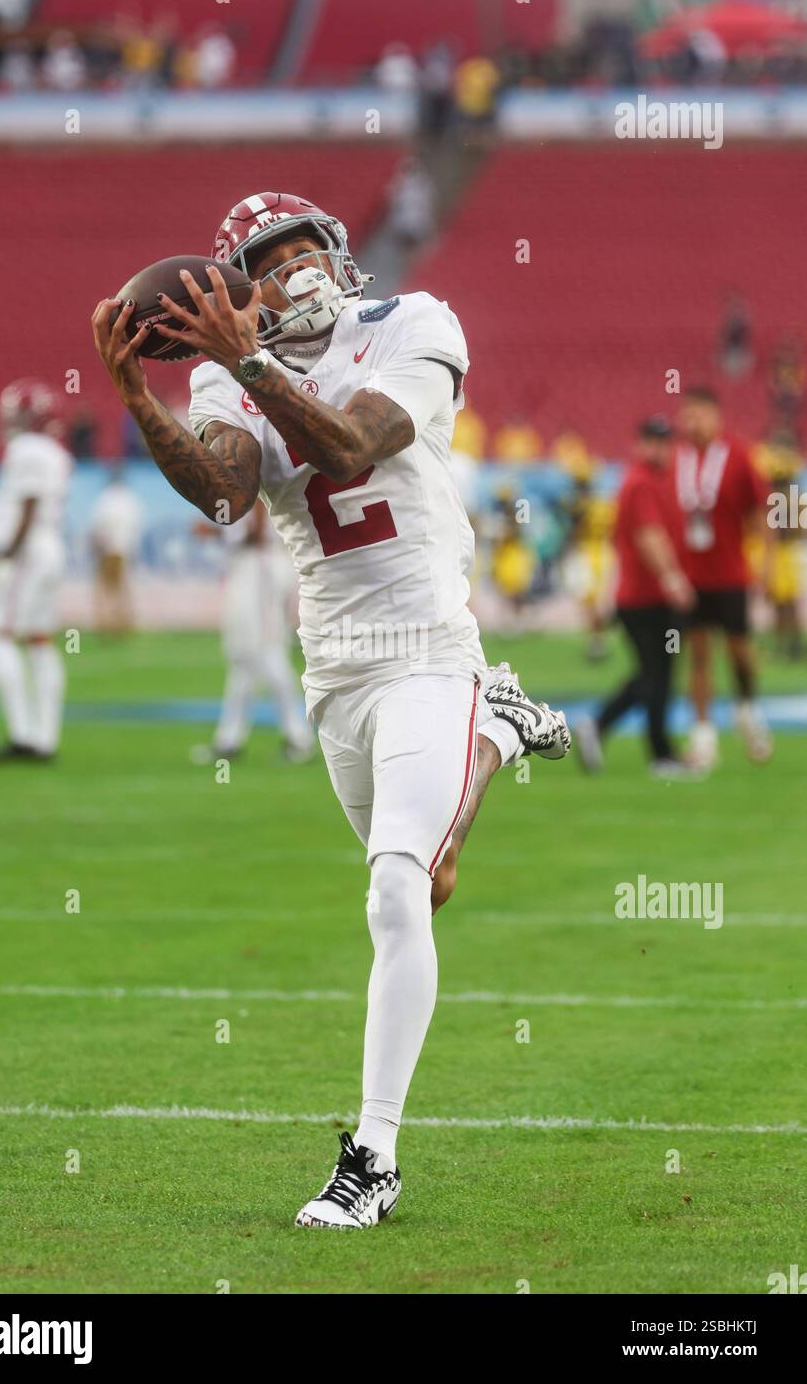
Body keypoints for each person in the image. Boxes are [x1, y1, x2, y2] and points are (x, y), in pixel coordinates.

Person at [91, 190, 570, 1230]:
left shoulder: (411, 322)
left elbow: (351, 447)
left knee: (393, 888)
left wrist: (256, 369)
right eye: (269, 260)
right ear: (238, 291)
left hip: (428, 650)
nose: (295, 269)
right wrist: (138, 391)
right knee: (427, 881)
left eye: (307, 249)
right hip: (334, 673)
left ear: (341, 256)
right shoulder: (223, 372)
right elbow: (223, 496)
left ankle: (372, 1156)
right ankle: (498, 729)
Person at [576, 416, 696, 777]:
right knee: (655, 676)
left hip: (646, 596)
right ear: (640, 443)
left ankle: (606, 730)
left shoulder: (660, 479)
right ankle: (657, 753)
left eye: (664, 441)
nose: (659, 448)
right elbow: (649, 537)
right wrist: (673, 578)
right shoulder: (641, 482)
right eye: (653, 441)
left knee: (654, 674)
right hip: (645, 598)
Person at [674, 387, 773, 768]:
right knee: (698, 656)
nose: (692, 422)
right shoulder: (677, 457)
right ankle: (703, 737)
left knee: (740, 652)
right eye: (687, 415)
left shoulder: (739, 454)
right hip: (690, 576)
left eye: (699, 414)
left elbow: (762, 508)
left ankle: (748, 711)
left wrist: (763, 559)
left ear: (716, 416)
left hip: (731, 573)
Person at [0, 380, 72, 763]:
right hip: (48, 548)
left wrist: (5, 553)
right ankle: (45, 738)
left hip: (29, 551)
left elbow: (29, 504)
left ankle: (23, 734)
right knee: (38, 641)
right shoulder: (55, 451)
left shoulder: (26, 449)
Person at [192, 501, 314, 761]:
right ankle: (230, 739)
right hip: (251, 569)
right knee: (244, 657)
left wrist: (213, 533)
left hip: (260, 569)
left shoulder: (252, 473)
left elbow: (257, 532)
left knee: (268, 654)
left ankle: (299, 737)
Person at [88, 468, 144, 634]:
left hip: (108, 548)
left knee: (106, 588)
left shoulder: (105, 498)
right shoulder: (131, 499)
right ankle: (124, 623)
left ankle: (107, 624)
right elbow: (136, 526)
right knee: (124, 587)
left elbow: (99, 526)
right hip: (125, 548)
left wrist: (98, 546)